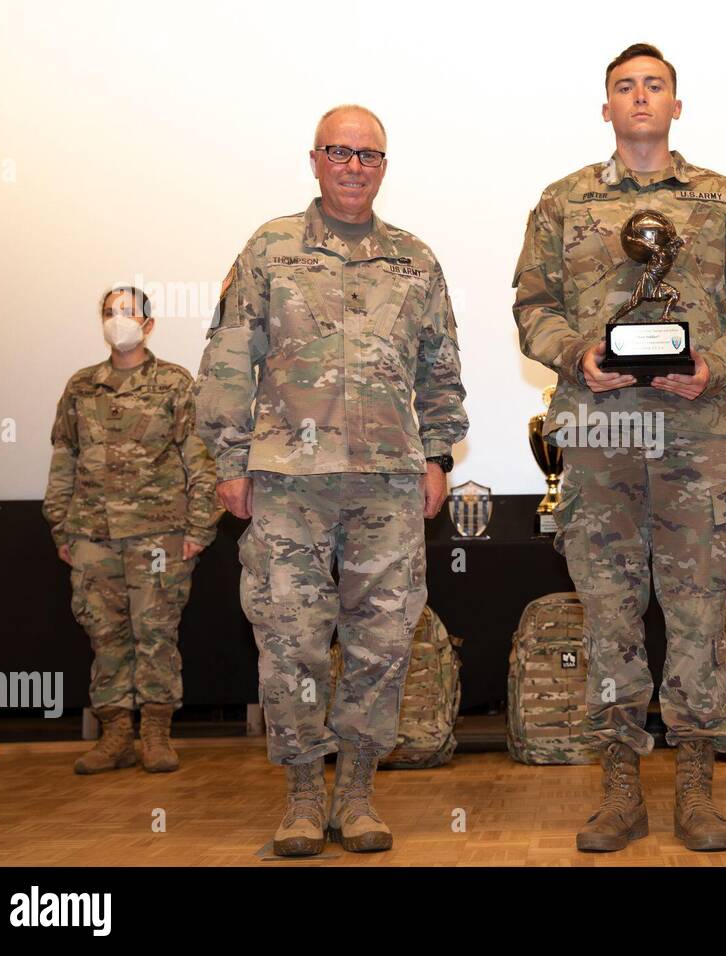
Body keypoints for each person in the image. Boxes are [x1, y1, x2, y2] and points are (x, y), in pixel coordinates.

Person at [513, 43, 726, 852]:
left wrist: (716, 365)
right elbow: (532, 305)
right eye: (625, 87)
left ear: (675, 105)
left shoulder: (721, 201)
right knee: (608, 612)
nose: (640, 98)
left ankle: (696, 785)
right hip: (598, 435)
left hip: (692, 435)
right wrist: (576, 355)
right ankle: (620, 786)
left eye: (654, 86)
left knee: (698, 609)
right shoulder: (563, 202)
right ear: (606, 108)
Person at [195, 104, 467, 857]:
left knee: (382, 643)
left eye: (369, 156)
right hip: (287, 483)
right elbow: (226, 357)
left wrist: (438, 456)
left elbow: (439, 369)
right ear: (314, 160)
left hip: (386, 483)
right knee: (292, 643)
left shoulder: (416, 260)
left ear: (385, 166)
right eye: (340, 153)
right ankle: (303, 797)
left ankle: (358, 792)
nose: (354, 167)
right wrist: (227, 462)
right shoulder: (271, 249)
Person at [44, 286, 221, 775]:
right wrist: (61, 528)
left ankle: (156, 734)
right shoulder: (81, 387)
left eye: (126, 312)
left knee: (156, 633)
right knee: (105, 634)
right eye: (108, 312)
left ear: (148, 324)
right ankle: (115, 735)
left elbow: (201, 461)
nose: (116, 320)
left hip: (159, 535)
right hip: (91, 535)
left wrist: (199, 528)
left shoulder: (174, 384)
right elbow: (64, 458)